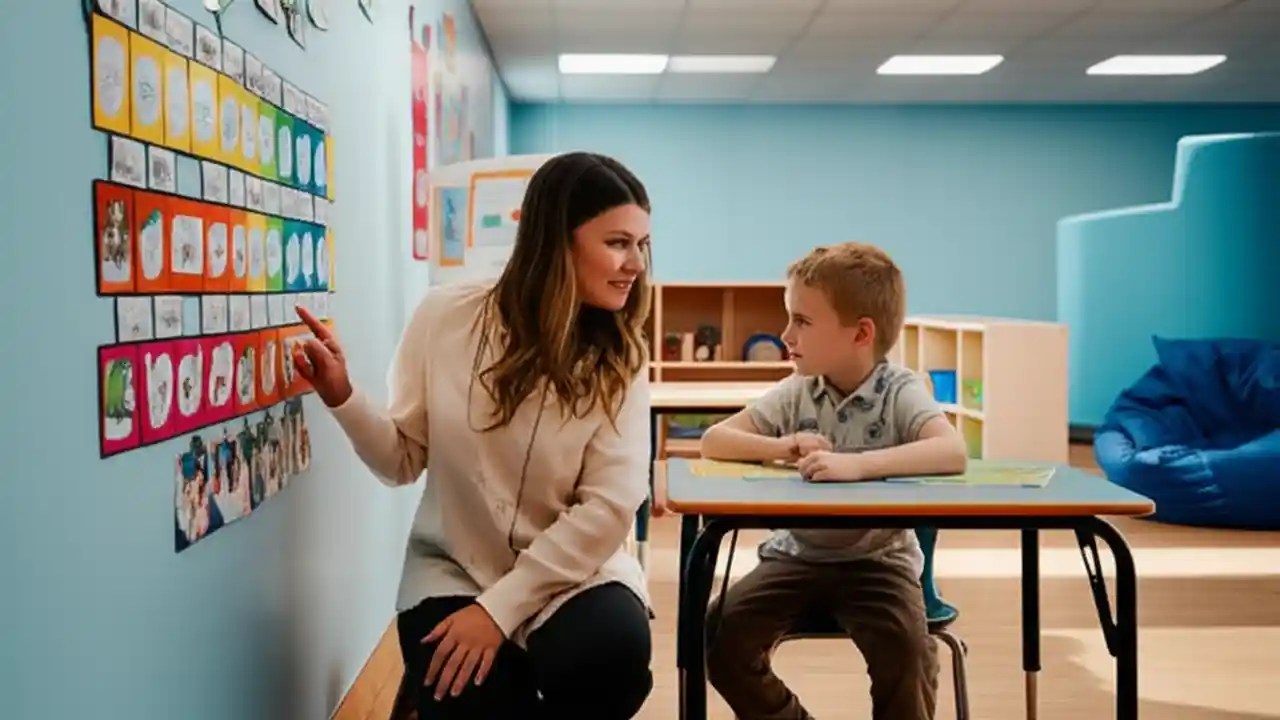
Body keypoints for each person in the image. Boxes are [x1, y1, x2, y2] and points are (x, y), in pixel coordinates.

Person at [291, 151, 655, 719]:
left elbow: (607, 509)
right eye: (617, 242)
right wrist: (343, 396)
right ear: (556, 239)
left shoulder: (621, 358)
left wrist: (498, 612)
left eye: (641, 244)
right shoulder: (446, 317)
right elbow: (401, 459)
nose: (635, 262)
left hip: (574, 574)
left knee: (609, 658)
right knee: (468, 695)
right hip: (454, 567)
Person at [699, 241, 968, 720]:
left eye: (801, 321)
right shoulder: (798, 390)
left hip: (877, 563)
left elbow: (951, 451)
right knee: (719, 636)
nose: (785, 334)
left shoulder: (899, 390)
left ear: (860, 333)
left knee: (906, 654)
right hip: (796, 558)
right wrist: (781, 447)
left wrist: (857, 464)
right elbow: (716, 441)